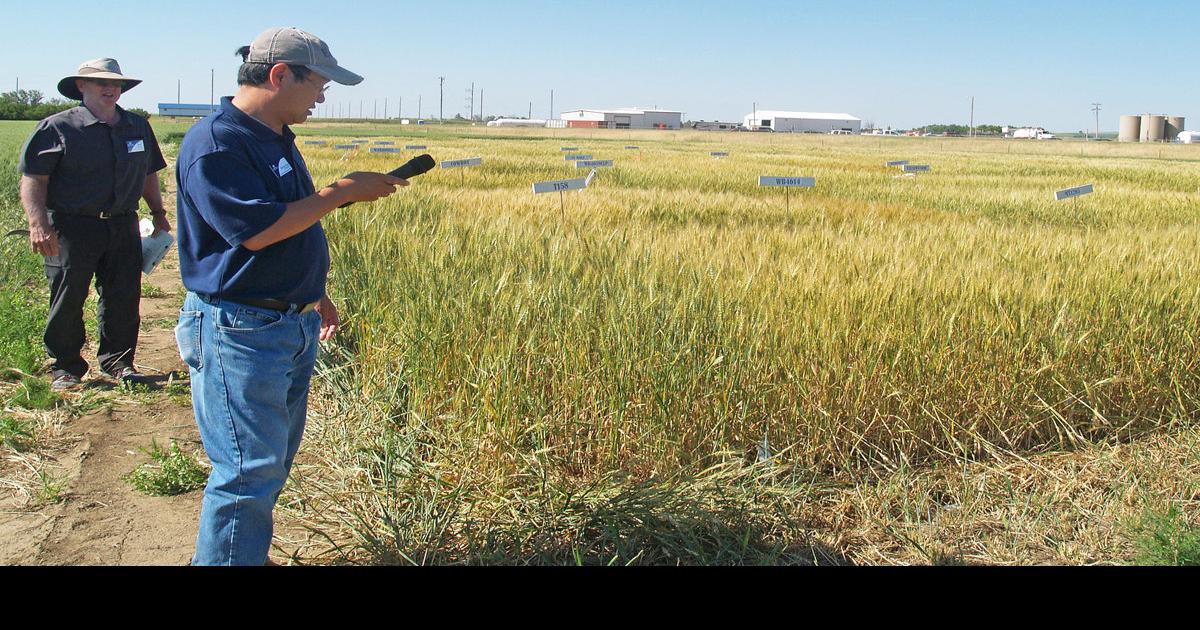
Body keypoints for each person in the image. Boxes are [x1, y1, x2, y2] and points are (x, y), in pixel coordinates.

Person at [174, 26, 405, 566]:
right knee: (245, 472)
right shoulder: (218, 144)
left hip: (288, 323)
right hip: (241, 329)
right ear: (280, 75)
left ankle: (239, 555)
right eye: (318, 85)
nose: (322, 98)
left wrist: (313, 293)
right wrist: (343, 191)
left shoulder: (273, 135)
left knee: (269, 464)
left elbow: (290, 225)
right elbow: (256, 231)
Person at [18, 58, 170, 390]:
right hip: (72, 227)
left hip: (123, 225)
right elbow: (34, 179)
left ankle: (119, 364)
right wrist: (38, 223)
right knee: (69, 295)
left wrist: (158, 212)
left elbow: (148, 173)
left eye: (116, 83)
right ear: (81, 86)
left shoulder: (136, 127)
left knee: (123, 295)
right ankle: (66, 367)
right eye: (101, 82)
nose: (110, 88)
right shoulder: (57, 128)